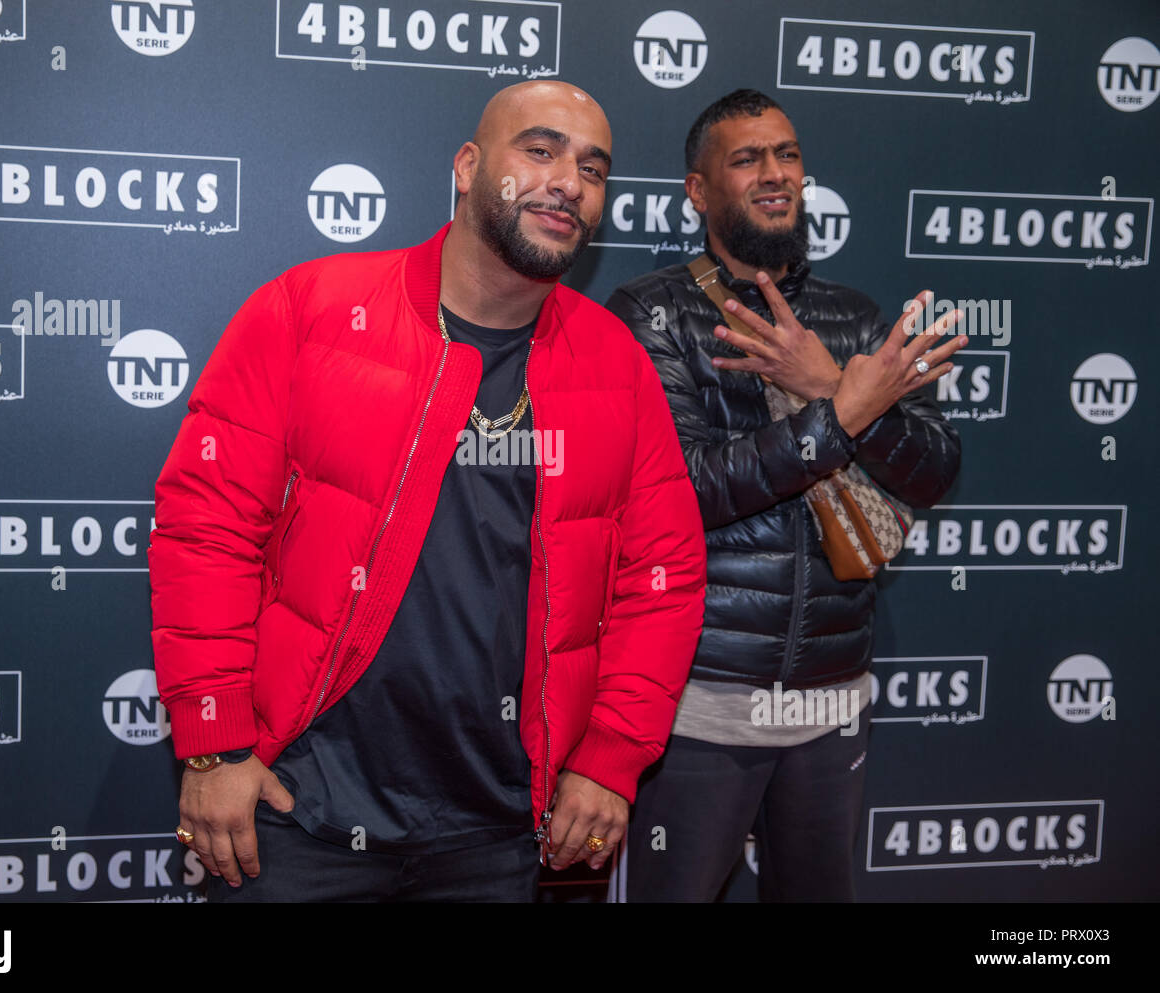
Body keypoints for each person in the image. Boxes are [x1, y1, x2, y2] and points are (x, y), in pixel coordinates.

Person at [147, 80, 706, 903]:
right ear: (469, 166)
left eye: (593, 169)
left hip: (498, 834)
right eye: (540, 150)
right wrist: (214, 743)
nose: (568, 182)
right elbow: (206, 528)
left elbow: (663, 577)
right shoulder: (312, 311)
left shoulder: (614, 363)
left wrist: (613, 759)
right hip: (297, 815)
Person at [605, 88, 964, 902]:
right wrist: (840, 413)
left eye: (788, 155)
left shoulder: (856, 317)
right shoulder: (652, 313)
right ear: (698, 190)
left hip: (833, 701)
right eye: (748, 159)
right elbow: (686, 489)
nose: (776, 175)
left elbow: (935, 471)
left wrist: (831, 385)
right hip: (697, 706)